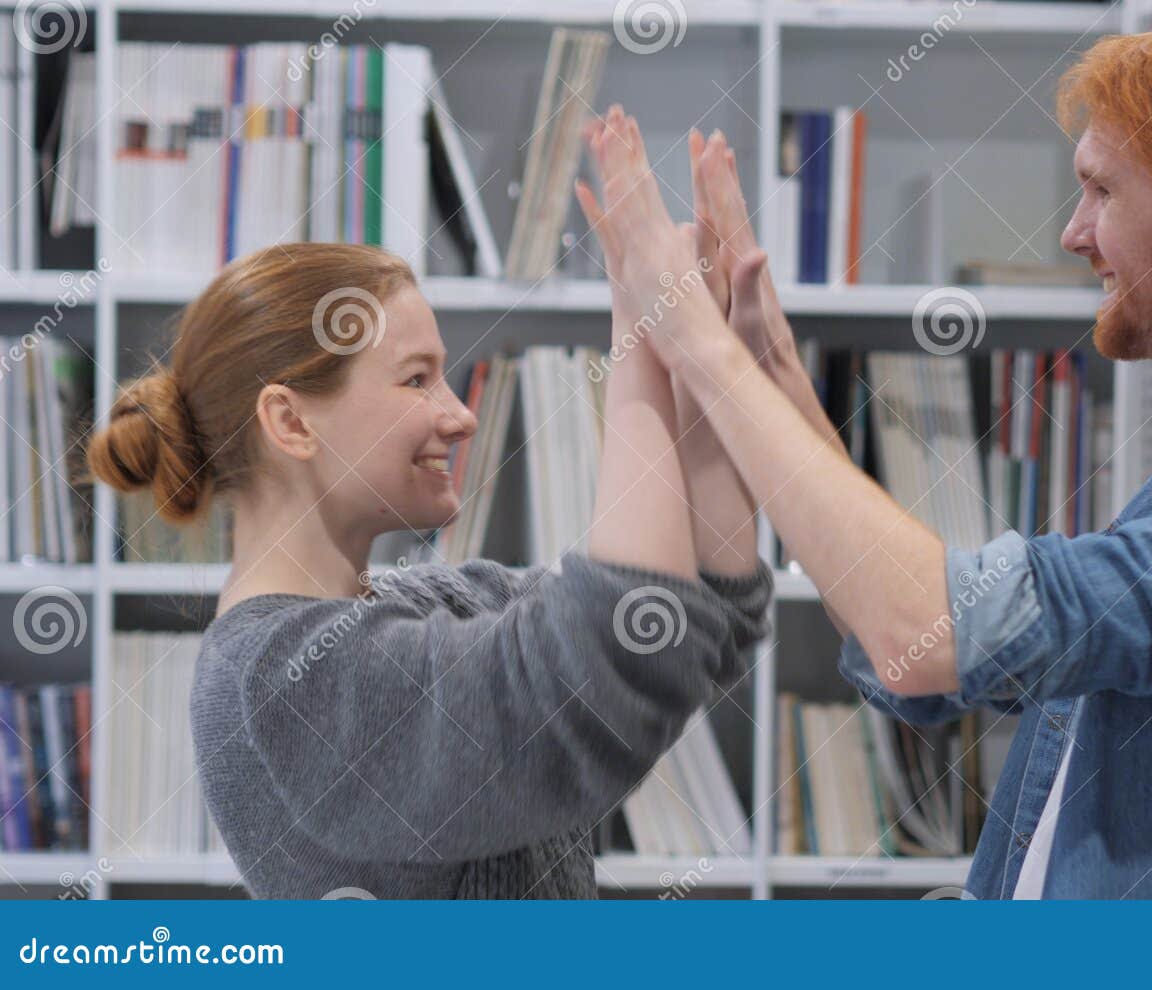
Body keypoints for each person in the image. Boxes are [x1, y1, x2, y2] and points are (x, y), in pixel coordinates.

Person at [586, 13, 1152, 899]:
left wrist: (698, 349)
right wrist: (771, 367)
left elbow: (915, 641)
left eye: (1101, 191)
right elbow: (936, 660)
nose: (1073, 233)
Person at [84, 234, 772, 898]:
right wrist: (640, 340)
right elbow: (611, 649)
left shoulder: (436, 600)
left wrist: (715, 370)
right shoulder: (282, 677)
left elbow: (683, 626)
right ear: (292, 424)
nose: (460, 416)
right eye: (418, 379)